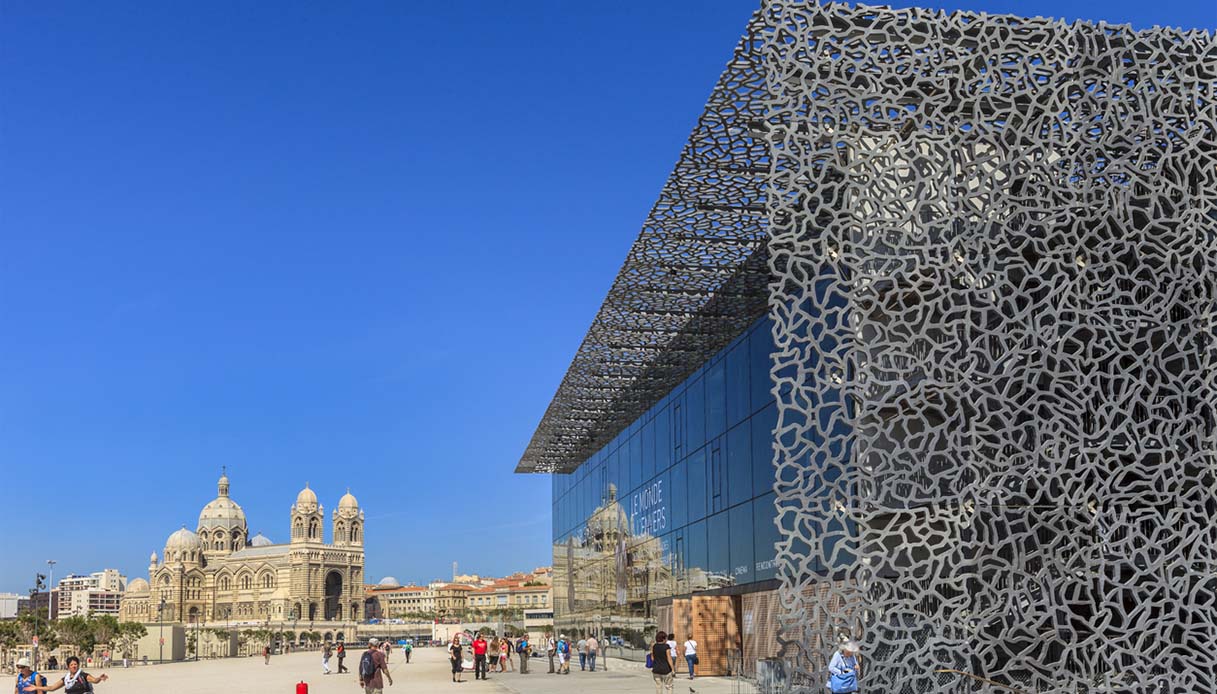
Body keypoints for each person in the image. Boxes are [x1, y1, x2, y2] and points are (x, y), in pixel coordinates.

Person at [20, 656, 108, 693]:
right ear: (68, 666)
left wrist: (99, 678)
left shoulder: (84, 676)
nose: (74, 666)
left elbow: (95, 681)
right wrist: (36, 687)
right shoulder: (66, 679)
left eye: (75, 664)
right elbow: (52, 688)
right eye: (72, 665)